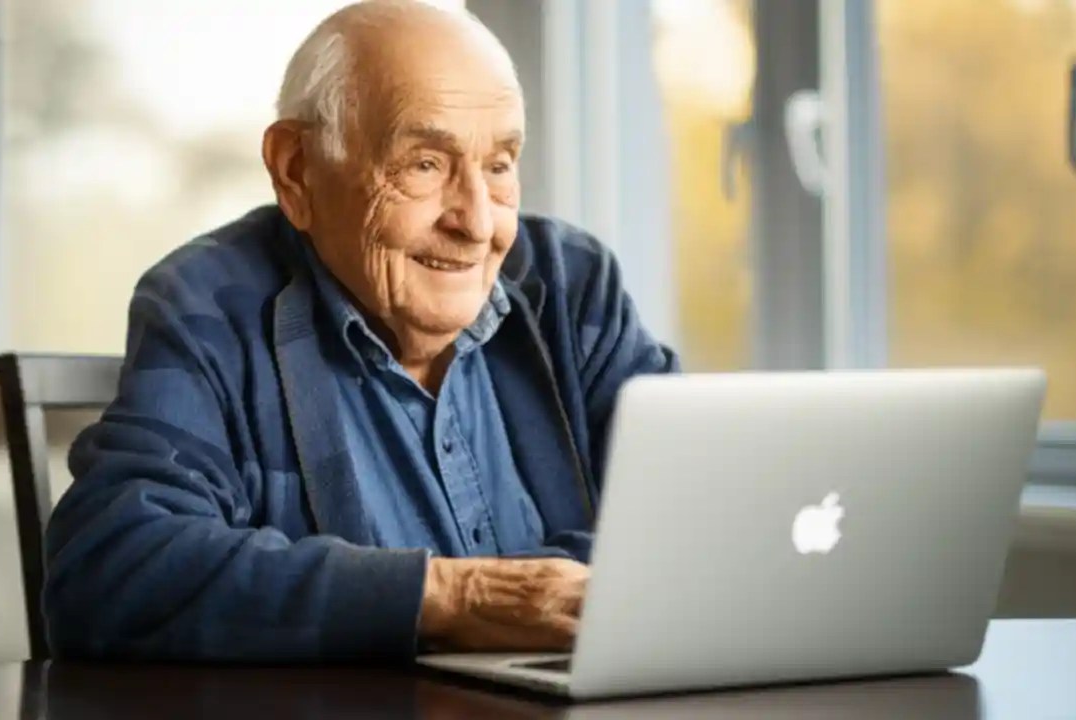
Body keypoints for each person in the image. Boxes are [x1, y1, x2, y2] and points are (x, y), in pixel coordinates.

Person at [42, 0, 677, 661]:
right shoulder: (210, 305)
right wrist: (454, 597)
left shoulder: (571, 286)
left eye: (499, 164)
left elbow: (698, 516)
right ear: (297, 170)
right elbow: (112, 571)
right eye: (425, 163)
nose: (477, 222)